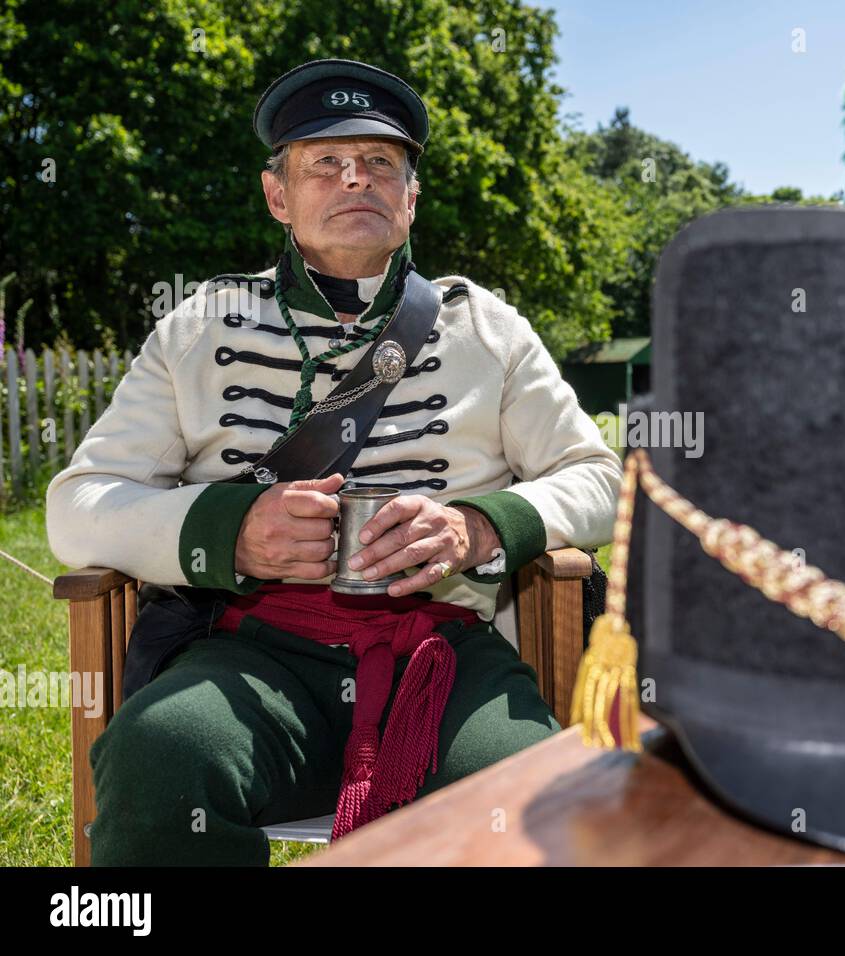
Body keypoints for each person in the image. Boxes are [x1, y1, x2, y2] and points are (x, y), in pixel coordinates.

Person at [44, 58, 621, 865]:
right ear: (278, 196)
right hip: (253, 649)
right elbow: (78, 506)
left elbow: (599, 479)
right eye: (326, 163)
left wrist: (478, 529)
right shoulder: (199, 326)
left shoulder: (486, 326)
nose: (357, 180)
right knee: (164, 755)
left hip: (444, 653)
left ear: (410, 197)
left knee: (527, 799)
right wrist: (228, 530)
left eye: (380, 163)